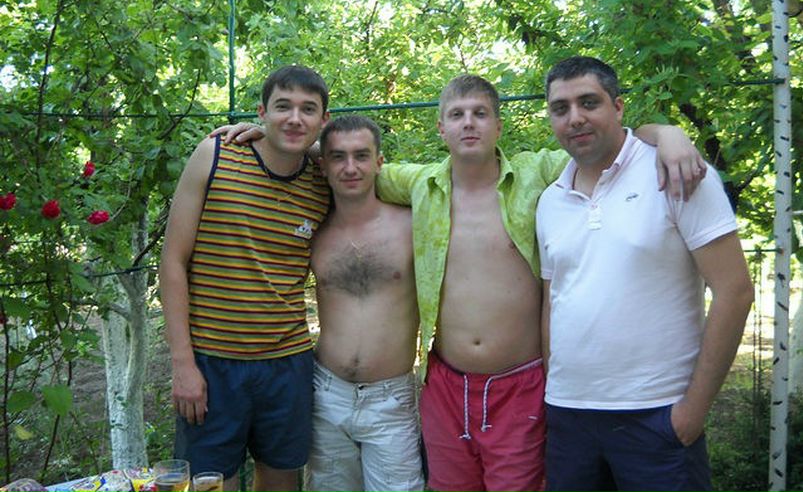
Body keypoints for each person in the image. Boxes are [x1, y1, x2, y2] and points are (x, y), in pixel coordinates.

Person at [217, 73, 704, 492]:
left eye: (480, 113)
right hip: (444, 383)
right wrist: (271, 135)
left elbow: (606, 143)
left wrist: (667, 133)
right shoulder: (420, 184)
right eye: (457, 114)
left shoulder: (538, 173)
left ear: (499, 124)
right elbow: (345, 162)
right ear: (441, 127)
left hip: (519, 380)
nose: (469, 123)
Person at [536, 56, 754, 492]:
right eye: (561, 108)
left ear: (618, 107)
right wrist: (551, 391)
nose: (575, 118)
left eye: (588, 102)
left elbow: (735, 291)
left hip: (657, 415)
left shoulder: (677, 173)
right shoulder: (550, 201)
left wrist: (692, 412)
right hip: (569, 417)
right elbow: (553, 301)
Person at [158, 65, 330, 492]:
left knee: (282, 478)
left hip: (288, 362)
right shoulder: (215, 155)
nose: (295, 118)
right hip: (212, 363)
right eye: (283, 107)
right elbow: (173, 262)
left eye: (308, 109)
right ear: (261, 112)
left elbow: (367, 168)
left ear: (323, 120)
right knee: (211, 483)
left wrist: (316, 151)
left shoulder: (323, 181)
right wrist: (183, 363)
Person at [306, 114, 424, 492]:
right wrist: (261, 134)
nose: (350, 167)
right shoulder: (314, 231)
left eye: (361, 155)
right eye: (338, 157)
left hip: (391, 399)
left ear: (379, 162)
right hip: (327, 393)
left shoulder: (412, 224)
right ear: (323, 166)